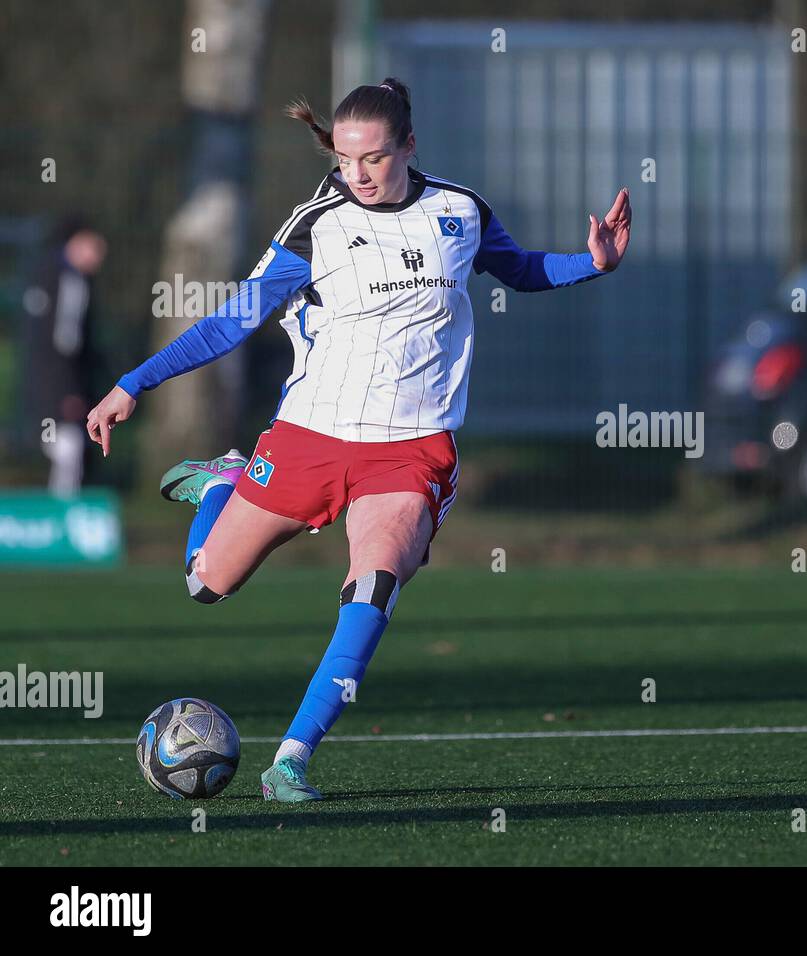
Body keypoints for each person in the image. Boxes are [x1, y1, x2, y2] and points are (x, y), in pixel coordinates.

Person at [84, 77, 631, 800]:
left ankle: (292, 760)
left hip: (411, 449)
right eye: (345, 161)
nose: (358, 175)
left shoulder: (459, 211)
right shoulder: (319, 223)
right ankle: (223, 482)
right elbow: (233, 321)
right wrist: (134, 382)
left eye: (373, 158)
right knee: (204, 583)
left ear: (408, 145)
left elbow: (520, 270)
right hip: (310, 434)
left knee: (371, 587)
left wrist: (590, 264)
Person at [22, 215, 108, 496]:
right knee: (68, 449)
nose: (97, 260)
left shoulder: (45, 273)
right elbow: (62, 342)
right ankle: (61, 521)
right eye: (94, 250)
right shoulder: (69, 282)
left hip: (45, 384)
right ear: (77, 243)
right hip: (56, 387)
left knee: (66, 450)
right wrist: (68, 391)